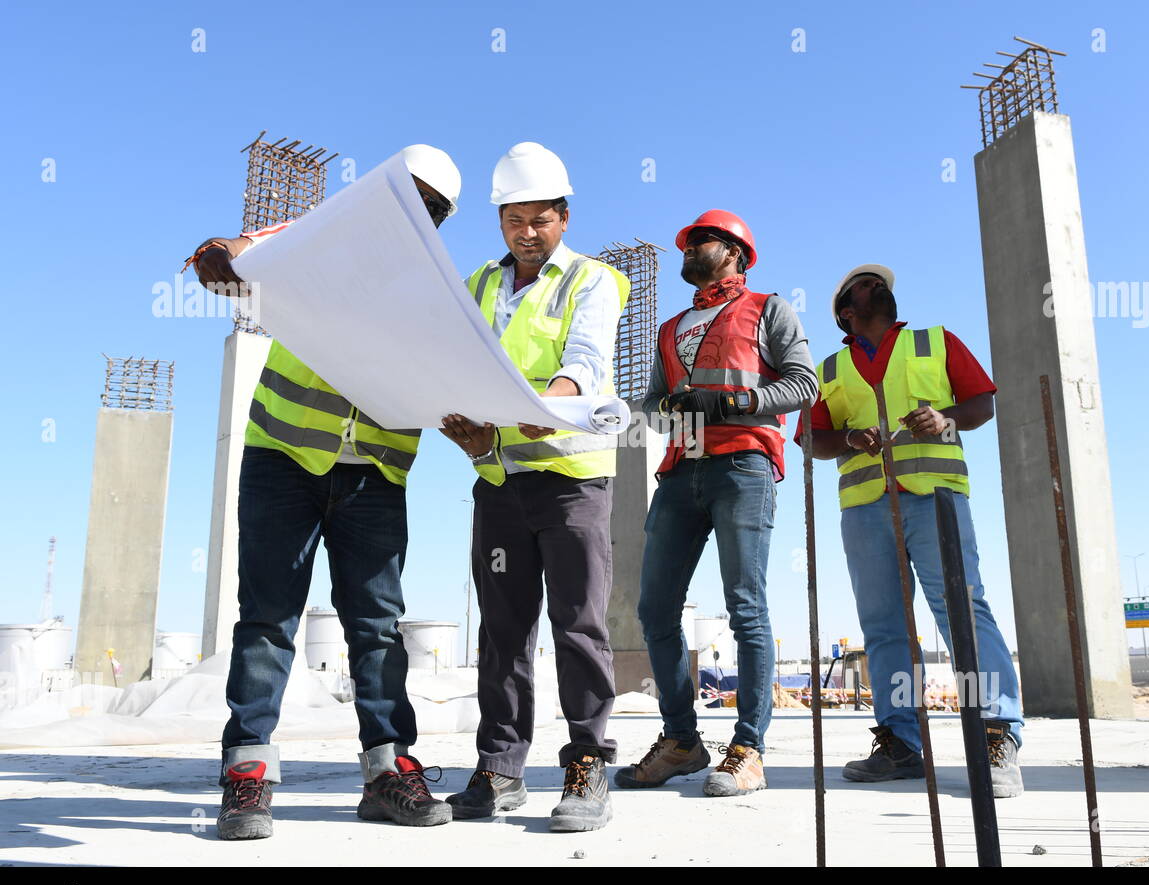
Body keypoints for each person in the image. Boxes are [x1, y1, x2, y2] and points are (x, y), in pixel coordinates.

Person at [187, 146, 464, 839]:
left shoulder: (438, 289)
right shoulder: (320, 238)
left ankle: (389, 771)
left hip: (374, 470)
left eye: (434, 210)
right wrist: (220, 250)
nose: (417, 215)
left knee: (377, 626)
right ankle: (247, 776)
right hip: (284, 456)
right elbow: (242, 252)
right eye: (410, 196)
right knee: (268, 618)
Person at [438, 143, 629, 831]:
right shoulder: (481, 284)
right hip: (499, 481)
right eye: (513, 219)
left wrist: (553, 404)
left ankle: (587, 762)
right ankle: (500, 767)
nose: (525, 232)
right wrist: (472, 430)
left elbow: (585, 358)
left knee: (578, 625)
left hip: (571, 479)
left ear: (565, 218)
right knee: (503, 631)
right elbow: (462, 364)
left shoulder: (592, 280)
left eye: (539, 219)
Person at [800, 263, 1024, 797]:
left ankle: (997, 734)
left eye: (883, 285)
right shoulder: (829, 367)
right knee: (884, 626)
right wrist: (851, 440)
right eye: (867, 285)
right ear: (845, 313)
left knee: (963, 611)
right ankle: (902, 743)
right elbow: (811, 439)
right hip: (865, 508)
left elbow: (982, 403)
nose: (879, 286)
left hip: (935, 499)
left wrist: (945, 417)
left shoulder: (935, 341)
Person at [615, 210, 817, 797]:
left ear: (733, 251)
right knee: (654, 610)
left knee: (744, 606)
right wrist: (668, 410)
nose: (688, 247)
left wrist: (728, 403)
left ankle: (749, 747)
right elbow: (653, 399)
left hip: (743, 464)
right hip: (681, 470)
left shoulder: (769, 309)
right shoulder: (672, 326)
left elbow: (804, 384)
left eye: (699, 240)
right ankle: (681, 741)